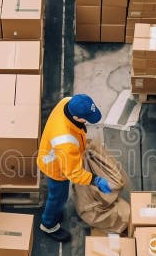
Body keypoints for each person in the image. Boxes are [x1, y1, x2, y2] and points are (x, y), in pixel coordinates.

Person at [37, 94, 112, 242]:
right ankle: (48, 224)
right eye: (86, 118)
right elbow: (74, 174)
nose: (88, 121)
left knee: (58, 197)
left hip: (55, 153)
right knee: (58, 197)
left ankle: (54, 214)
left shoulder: (67, 102)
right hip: (55, 168)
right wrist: (96, 180)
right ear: (76, 117)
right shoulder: (66, 142)